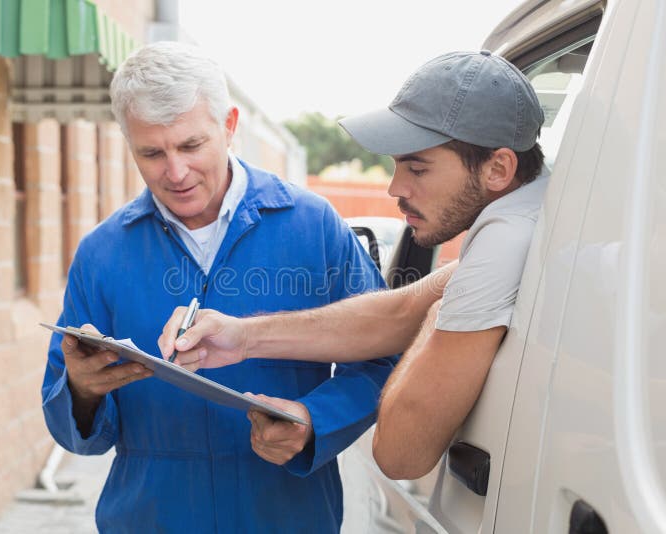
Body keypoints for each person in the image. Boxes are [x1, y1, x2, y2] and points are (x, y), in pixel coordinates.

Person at [41, 41, 400, 533]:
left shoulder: (313, 227)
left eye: (191, 145)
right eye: (151, 152)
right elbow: (75, 432)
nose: (176, 172)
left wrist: (316, 419)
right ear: (129, 145)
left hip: (286, 517)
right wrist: (81, 392)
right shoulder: (102, 255)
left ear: (229, 126)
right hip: (151, 519)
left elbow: (386, 357)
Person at [163, 50, 548, 480]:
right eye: (397, 166)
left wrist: (440, 318)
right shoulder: (535, 214)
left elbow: (399, 454)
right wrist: (243, 337)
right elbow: (401, 310)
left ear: (498, 168)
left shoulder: (506, 241)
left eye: (417, 169)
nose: (394, 188)